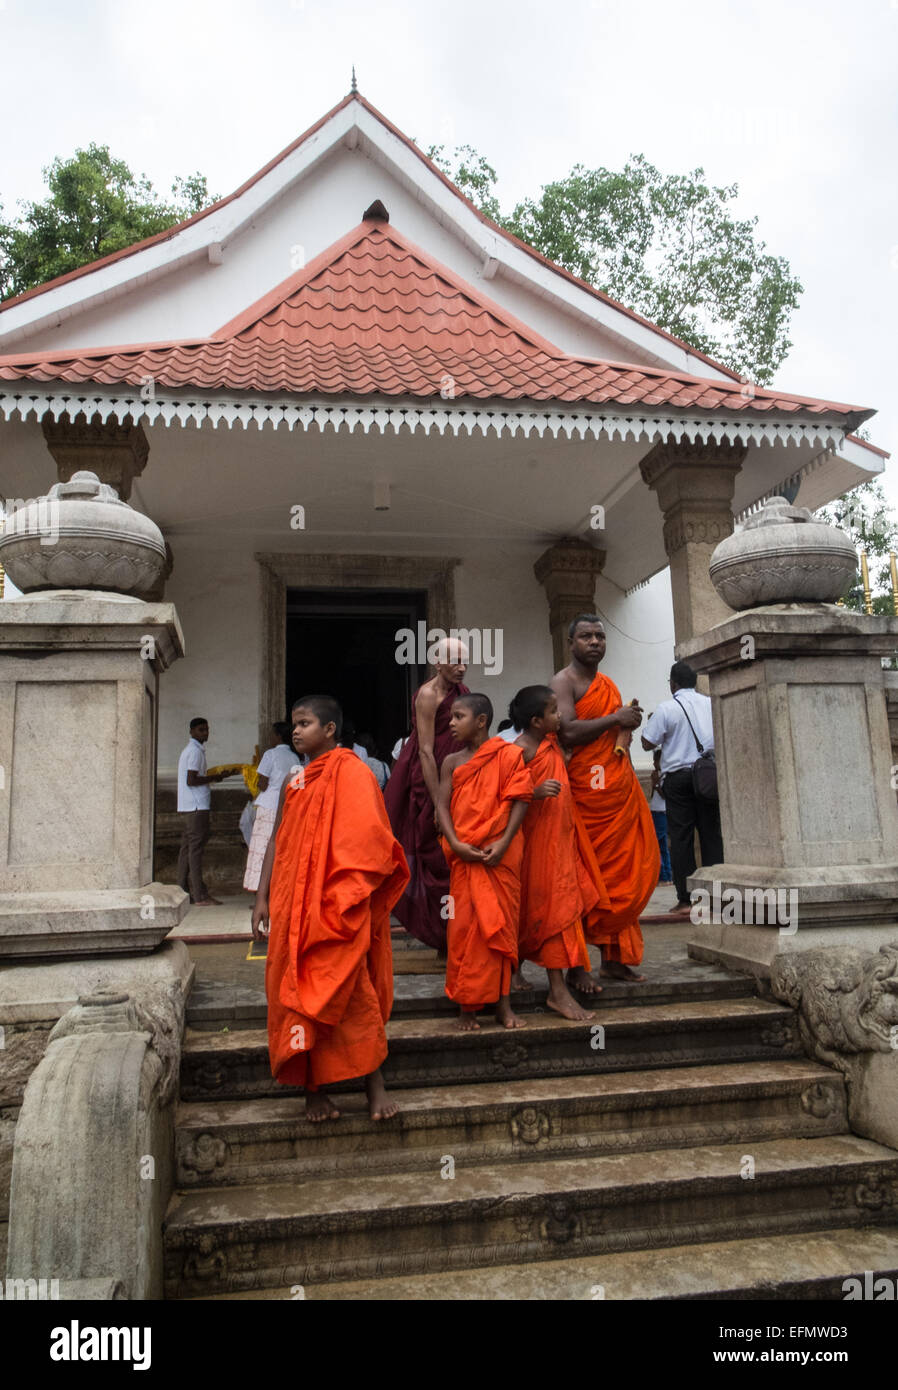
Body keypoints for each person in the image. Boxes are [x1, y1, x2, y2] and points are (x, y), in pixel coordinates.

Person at [251, 695, 409, 1122]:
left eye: (304, 723)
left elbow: (371, 841)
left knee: (356, 994)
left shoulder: (353, 773)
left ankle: (375, 1085)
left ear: (330, 730)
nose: (296, 731)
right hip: (294, 906)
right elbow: (277, 842)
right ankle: (313, 1089)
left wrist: (348, 896)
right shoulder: (294, 782)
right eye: (293, 724)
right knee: (298, 994)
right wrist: (263, 896)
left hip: (339, 907)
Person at [551, 616, 659, 982]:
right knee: (584, 879)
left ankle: (614, 959)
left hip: (616, 791)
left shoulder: (607, 684)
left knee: (623, 875)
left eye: (600, 636)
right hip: (584, 797)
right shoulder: (562, 682)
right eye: (586, 636)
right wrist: (615, 716)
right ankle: (576, 966)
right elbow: (566, 730)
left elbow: (609, 734)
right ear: (571, 643)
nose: (594, 642)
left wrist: (625, 723)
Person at [510, 685, 610, 1020]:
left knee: (572, 902)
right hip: (538, 846)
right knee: (552, 913)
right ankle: (556, 992)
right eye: (554, 711)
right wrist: (533, 792)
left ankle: (572, 970)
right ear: (537, 721)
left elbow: (574, 738)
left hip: (564, 840)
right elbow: (502, 794)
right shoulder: (519, 751)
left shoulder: (551, 742)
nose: (561, 715)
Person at [436, 692, 532, 1031]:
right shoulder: (452, 763)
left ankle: (503, 1006)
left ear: (480, 721)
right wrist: (455, 843)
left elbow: (520, 799)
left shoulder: (509, 755)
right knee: (464, 933)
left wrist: (504, 842)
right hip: (466, 858)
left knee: (501, 932)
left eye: (457, 716)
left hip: (499, 857)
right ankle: (467, 1008)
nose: (450, 723)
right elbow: (441, 807)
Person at [384, 638, 470, 953]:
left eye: (465, 661)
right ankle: (441, 933)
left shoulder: (463, 693)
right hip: (429, 776)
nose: (461, 668)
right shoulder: (428, 696)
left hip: (460, 777)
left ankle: (459, 931)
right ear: (438, 662)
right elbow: (425, 749)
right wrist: (438, 803)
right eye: (455, 662)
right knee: (436, 855)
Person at [642, 661, 723, 915]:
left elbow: (647, 743)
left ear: (673, 683)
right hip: (708, 774)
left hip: (677, 778)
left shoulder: (667, 708)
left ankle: (686, 900)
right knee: (712, 835)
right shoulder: (711, 703)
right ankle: (716, 897)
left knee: (681, 838)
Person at [243, 721, 301, 892]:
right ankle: (277, 890)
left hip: (268, 806)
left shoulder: (270, 754)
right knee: (279, 849)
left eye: (272, 734)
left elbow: (262, 783)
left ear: (278, 736)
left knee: (261, 849)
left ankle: (261, 891)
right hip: (285, 807)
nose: (270, 737)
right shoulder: (295, 757)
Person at [177, 717, 226, 906]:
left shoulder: (191, 750)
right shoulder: (195, 752)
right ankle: (199, 896)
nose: (204, 733)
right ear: (191, 731)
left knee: (187, 849)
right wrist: (215, 778)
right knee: (195, 851)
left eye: (206, 730)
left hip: (190, 806)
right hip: (197, 806)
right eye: (200, 730)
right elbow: (192, 780)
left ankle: (183, 891)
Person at [648, 748, 673, 886]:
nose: (654, 764)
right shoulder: (658, 774)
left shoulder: (666, 775)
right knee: (662, 845)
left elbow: (664, 795)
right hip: (656, 810)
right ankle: (667, 876)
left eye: (656, 761)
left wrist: (657, 783)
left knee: (657, 845)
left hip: (661, 812)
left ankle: (663, 876)